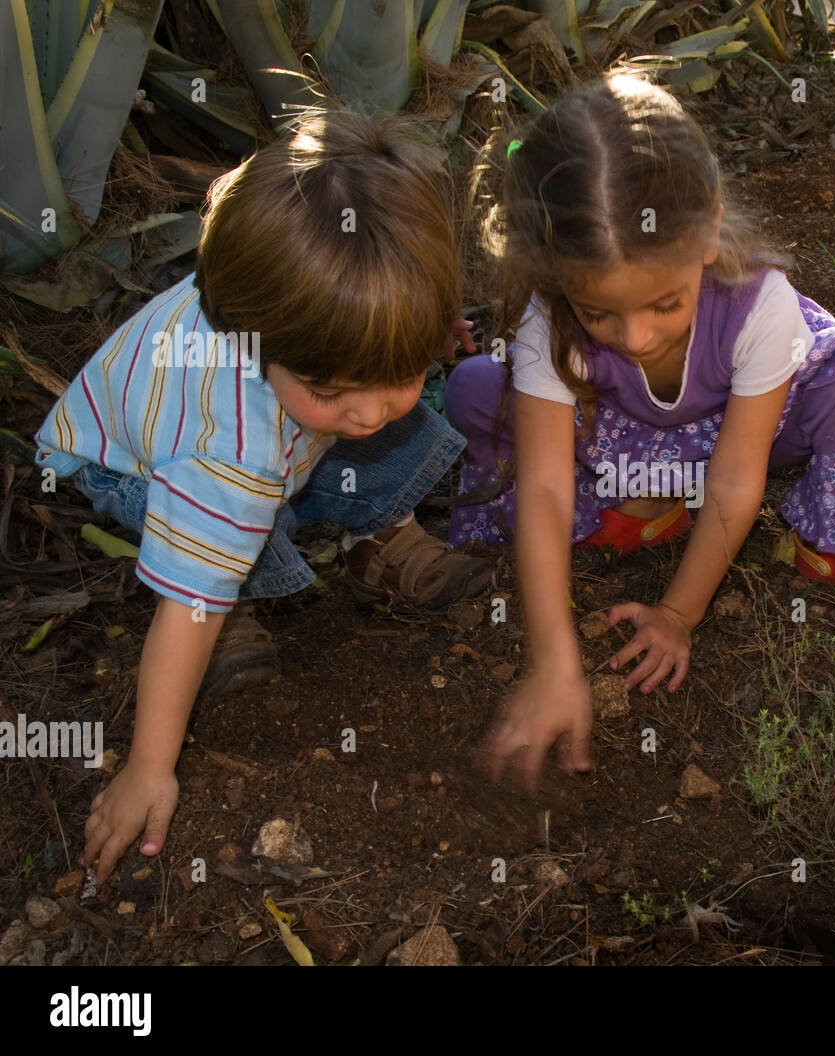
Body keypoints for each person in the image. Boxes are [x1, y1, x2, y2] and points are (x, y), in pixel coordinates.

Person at [444, 74, 835, 789]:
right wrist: (554, 661)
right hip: (635, 431)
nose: (637, 335)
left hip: (765, 427)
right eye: (599, 314)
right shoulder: (548, 318)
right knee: (474, 391)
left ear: (709, 231)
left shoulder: (759, 304)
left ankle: (834, 538)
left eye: (664, 303)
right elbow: (548, 487)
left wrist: (679, 613)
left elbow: (741, 478)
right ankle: (640, 507)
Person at [34, 109, 494, 882]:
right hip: (139, 466)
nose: (370, 407)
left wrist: (412, 329)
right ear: (255, 335)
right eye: (332, 388)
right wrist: (150, 767)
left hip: (269, 435)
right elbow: (184, 608)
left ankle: (376, 538)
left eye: (397, 367)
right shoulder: (228, 446)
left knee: (396, 428)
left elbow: (365, 372)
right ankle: (233, 590)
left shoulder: (320, 324)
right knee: (215, 562)